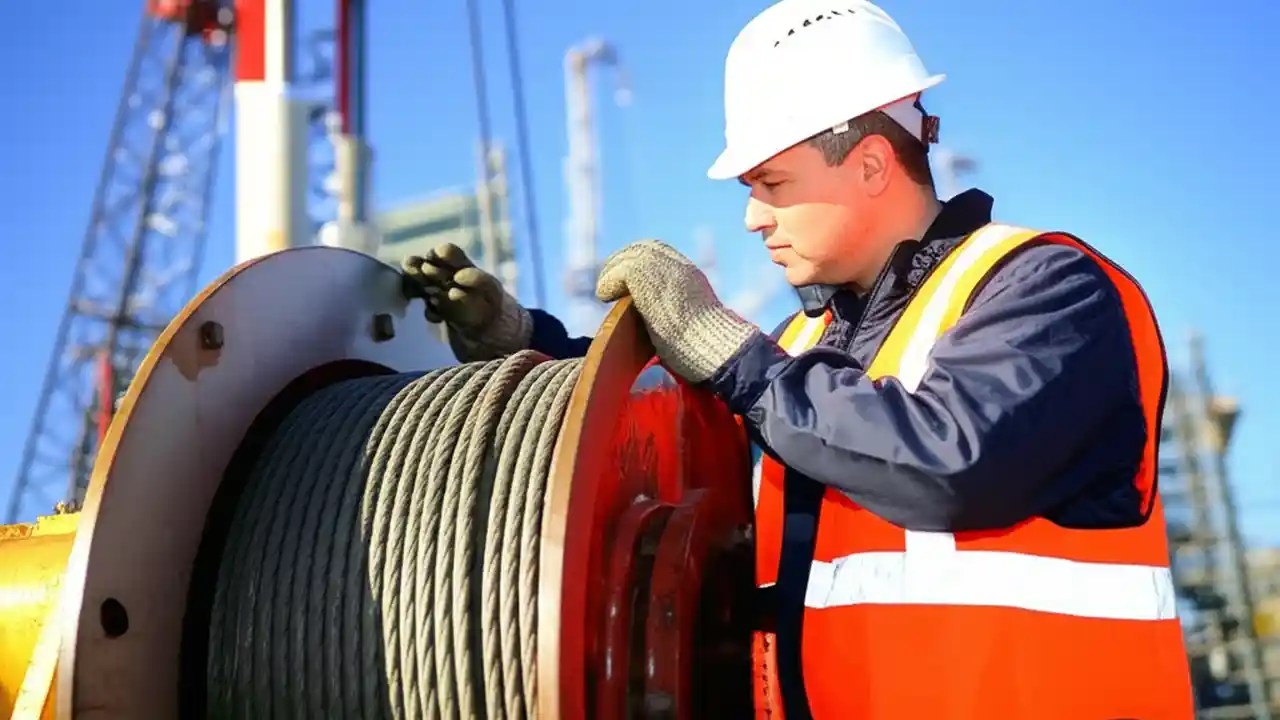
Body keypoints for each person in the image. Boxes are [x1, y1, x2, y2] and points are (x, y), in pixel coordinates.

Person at [400, 0, 1196, 717]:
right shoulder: (804, 349)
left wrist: (730, 356)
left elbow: (952, 459)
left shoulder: (1048, 289)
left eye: (773, 184)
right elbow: (661, 420)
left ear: (873, 164)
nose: (752, 217)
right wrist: (520, 340)